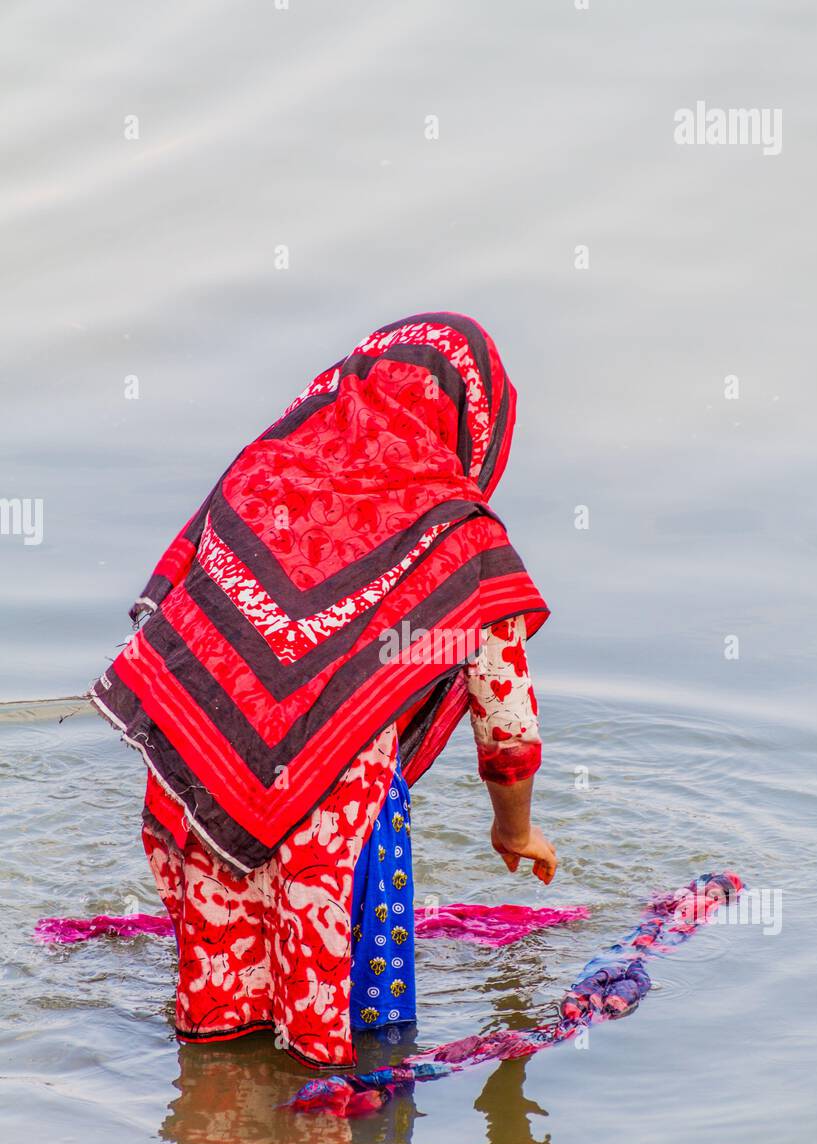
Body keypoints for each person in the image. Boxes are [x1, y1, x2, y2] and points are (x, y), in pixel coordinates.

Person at [89, 312, 557, 1068]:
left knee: (219, 1001)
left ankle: (217, 1099)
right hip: (328, 810)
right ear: (473, 422)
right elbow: (505, 717)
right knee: (336, 1041)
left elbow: (184, 623)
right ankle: (320, 1122)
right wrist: (513, 828)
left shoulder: (261, 471)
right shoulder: (456, 533)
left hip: (198, 776)